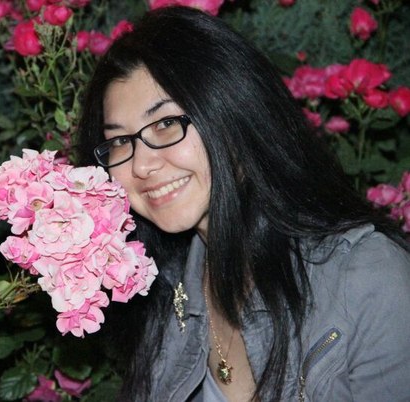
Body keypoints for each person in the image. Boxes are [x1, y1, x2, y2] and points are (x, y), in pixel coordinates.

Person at [75, 6, 410, 402]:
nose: (141, 165)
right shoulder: (163, 286)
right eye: (119, 142)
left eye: (165, 123)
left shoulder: (366, 278)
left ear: (235, 113)